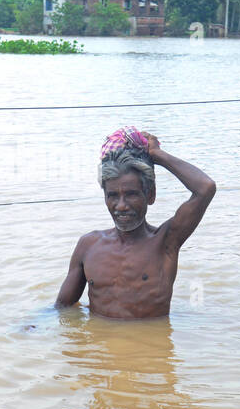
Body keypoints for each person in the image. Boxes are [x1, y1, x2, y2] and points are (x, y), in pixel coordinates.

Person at [54, 128, 215, 320]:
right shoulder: (88, 246)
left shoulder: (166, 243)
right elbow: (62, 308)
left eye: (131, 194)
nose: (121, 206)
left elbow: (205, 188)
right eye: (113, 196)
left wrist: (157, 155)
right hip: (100, 350)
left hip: (151, 348)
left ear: (150, 195)